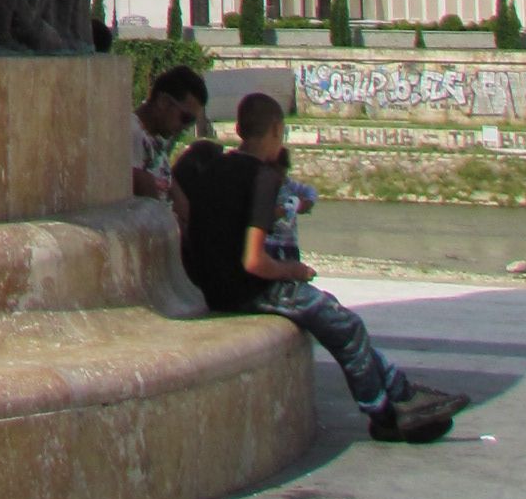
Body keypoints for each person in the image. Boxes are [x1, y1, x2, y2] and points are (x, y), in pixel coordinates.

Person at [171, 94, 466, 444]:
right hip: (246, 290)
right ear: (277, 130)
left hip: (212, 287)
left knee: (335, 316)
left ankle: (402, 392)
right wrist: (294, 270)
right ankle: (383, 415)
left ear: (238, 129)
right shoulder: (263, 177)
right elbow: (254, 261)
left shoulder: (214, 168)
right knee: (346, 325)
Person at [131, 63, 208, 198]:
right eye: (186, 118)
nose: (186, 127)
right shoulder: (129, 133)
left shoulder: (156, 137)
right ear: (163, 102)